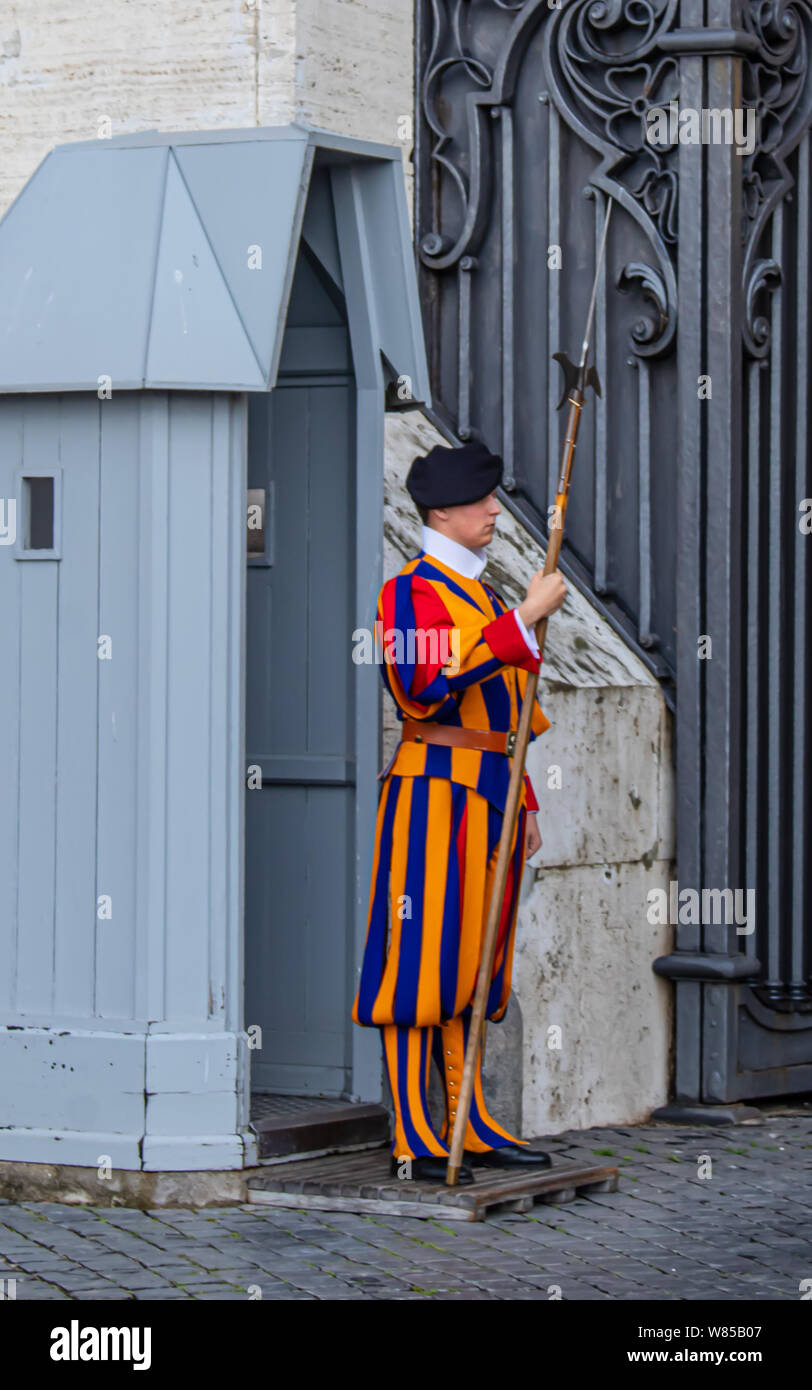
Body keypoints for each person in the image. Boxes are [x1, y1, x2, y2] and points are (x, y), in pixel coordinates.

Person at [352, 438, 567, 1183]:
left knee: (472, 966)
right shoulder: (410, 593)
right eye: (480, 502)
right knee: (420, 964)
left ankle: (468, 1121)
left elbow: (511, 709)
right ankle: (414, 1136)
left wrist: (526, 798)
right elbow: (421, 689)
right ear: (442, 511)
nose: (492, 513)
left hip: (491, 793)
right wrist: (519, 628)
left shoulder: (481, 593)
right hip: (433, 793)